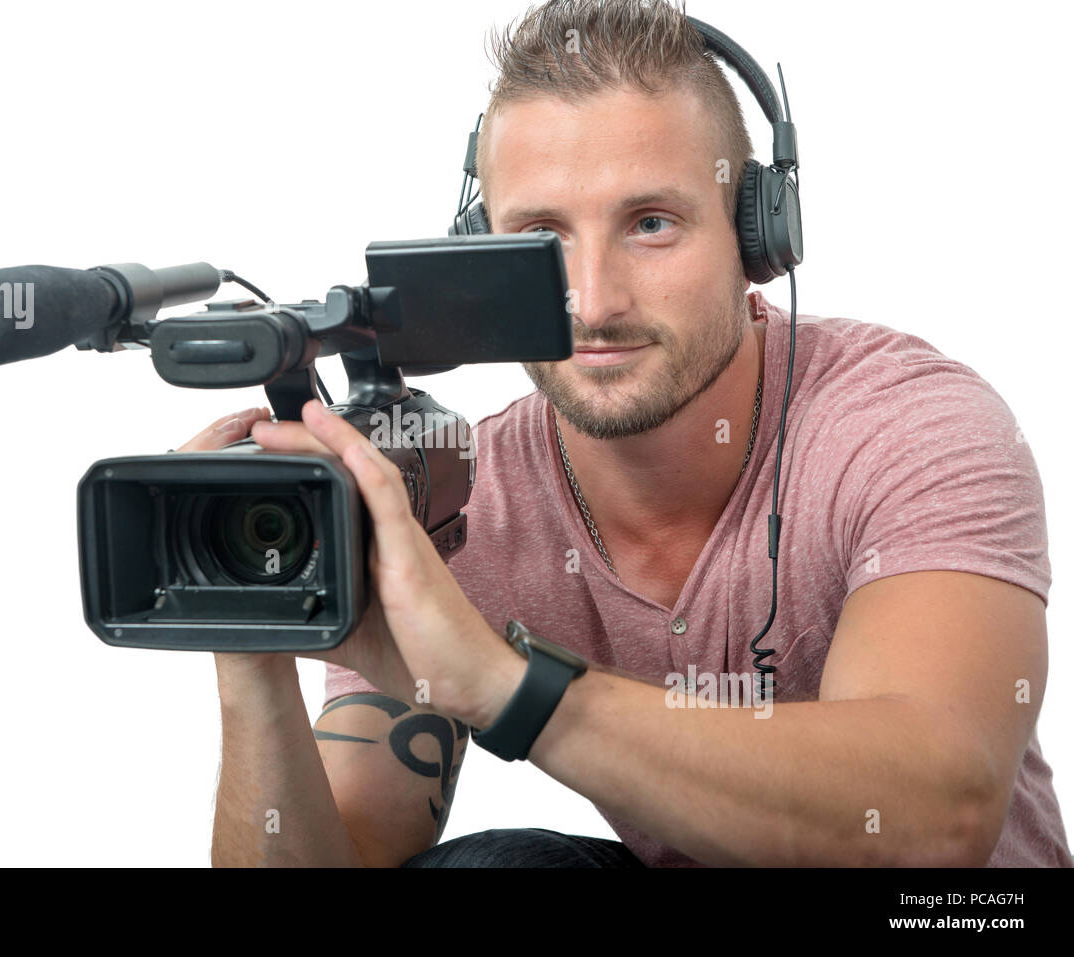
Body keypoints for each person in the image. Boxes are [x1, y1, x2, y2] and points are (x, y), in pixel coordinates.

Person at [199, 0, 1070, 867]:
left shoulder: (907, 427)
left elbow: (934, 818)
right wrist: (251, 658)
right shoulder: (448, 491)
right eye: (540, 237)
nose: (595, 300)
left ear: (756, 236)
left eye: (651, 223)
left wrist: (509, 687)